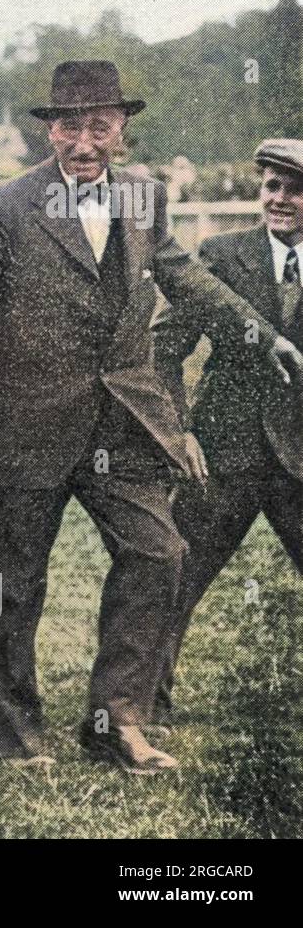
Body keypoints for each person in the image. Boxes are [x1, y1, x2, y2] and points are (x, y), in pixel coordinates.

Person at [0, 60, 303, 774]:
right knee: (10, 583)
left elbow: (185, 276)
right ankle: (11, 735)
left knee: (158, 552)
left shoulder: (145, 197)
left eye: (99, 125)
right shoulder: (4, 206)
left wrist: (263, 332)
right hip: (21, 424)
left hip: (122, 421)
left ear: (122, 130)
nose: (83, 141)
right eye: (69, 125)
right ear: (50, 131)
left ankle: (114, 721)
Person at [153, 138, 303, 722]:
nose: (281, 199)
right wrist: (177, 429)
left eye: (295, 190)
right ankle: (141, 702)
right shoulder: (221, 254)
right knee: (174, 575)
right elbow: (165, 345)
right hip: (219, 452)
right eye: (272, 186)